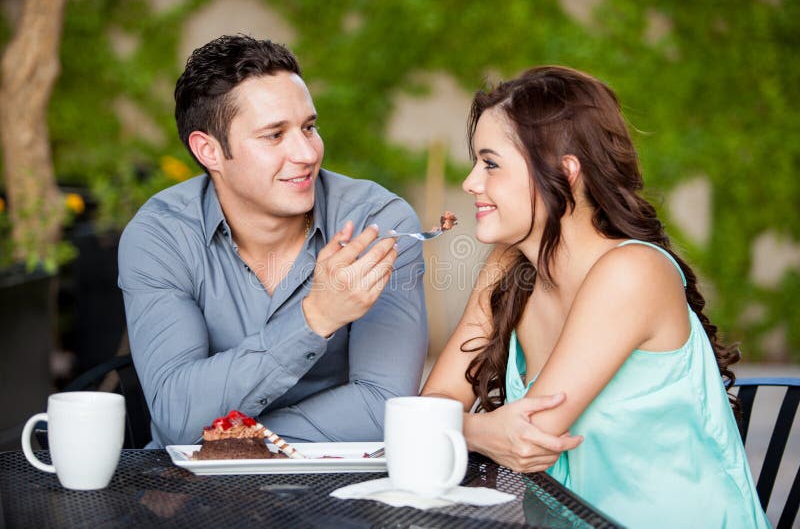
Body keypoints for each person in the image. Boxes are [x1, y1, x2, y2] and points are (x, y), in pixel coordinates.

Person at [421, 66, 770, 528]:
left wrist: (461, 428)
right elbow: (431, 405)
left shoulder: (632, 272)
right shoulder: (506, 267)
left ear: (565, 173)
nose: (470, 183)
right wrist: (481, 430)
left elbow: (528, 438)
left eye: (490, 163)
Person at [118, 35, 428, 448]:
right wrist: (315, 317)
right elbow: (177, 416)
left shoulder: (377, 224)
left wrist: (233, 438)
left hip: (339, 491)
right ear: (208, 150)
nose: (306, 153)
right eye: (274, 135)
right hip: (194, 494)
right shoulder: (161, 237)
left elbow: (384, 406)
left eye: (308, 128)